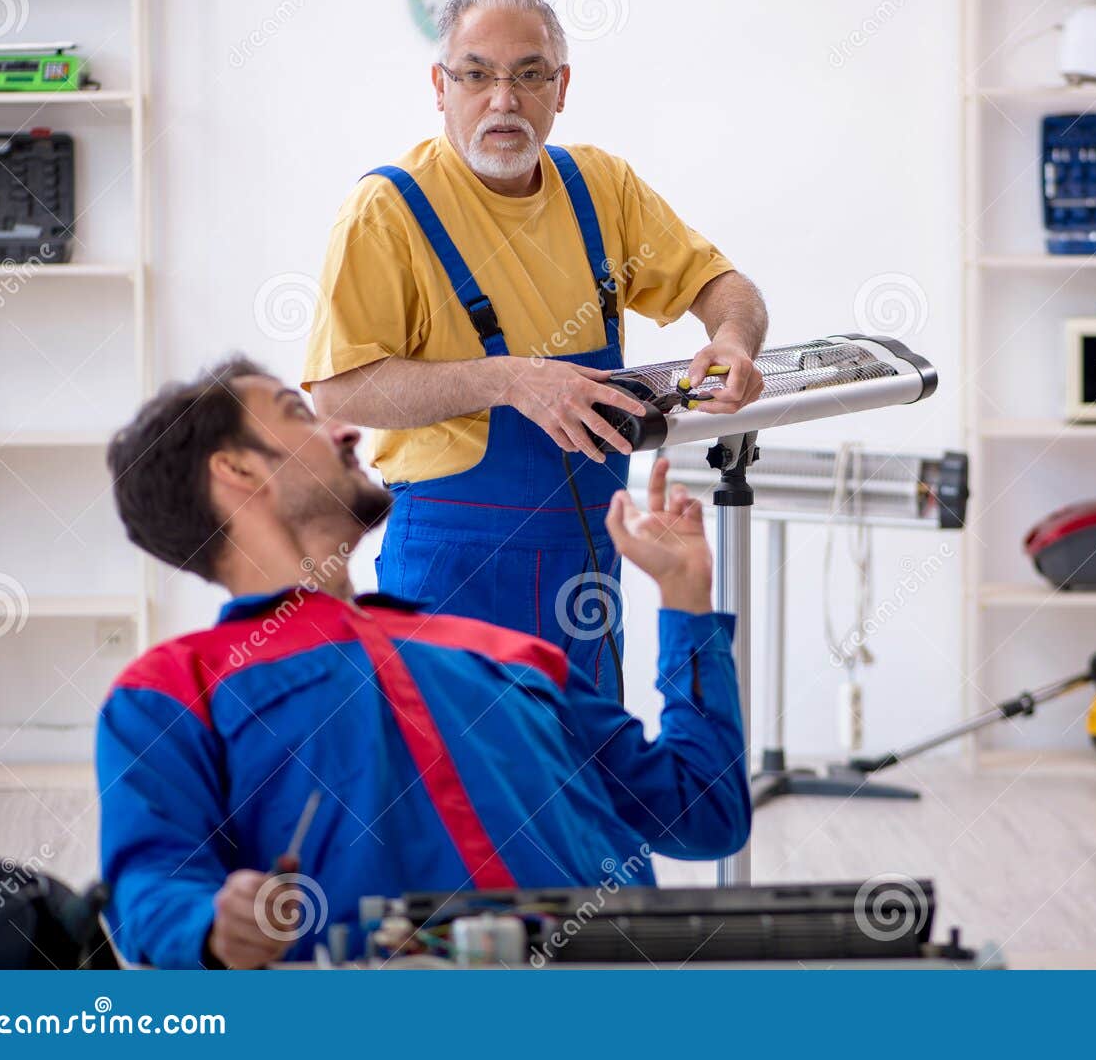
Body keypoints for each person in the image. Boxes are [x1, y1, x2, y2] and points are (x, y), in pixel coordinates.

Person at [97, 357, 749, 968]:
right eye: (299, 415)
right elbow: (151, 881)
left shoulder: (509, 653)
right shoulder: (172, 690)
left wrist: (685, 598)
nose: (348, 431)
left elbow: (703, 813)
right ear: (237, 471)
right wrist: (213, 925)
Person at [303, 0, 768, 700]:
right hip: (450, 567)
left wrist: (734, 340)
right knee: (456, 791)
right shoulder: (387, 211)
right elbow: (340, 387)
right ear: (439, 85)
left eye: (529, 75)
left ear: (562, 86)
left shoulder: (602, 189)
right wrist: (507, 381)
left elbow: (723, 285)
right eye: (477, 74)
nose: (503, 99)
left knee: (584, 782)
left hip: (585, 560)